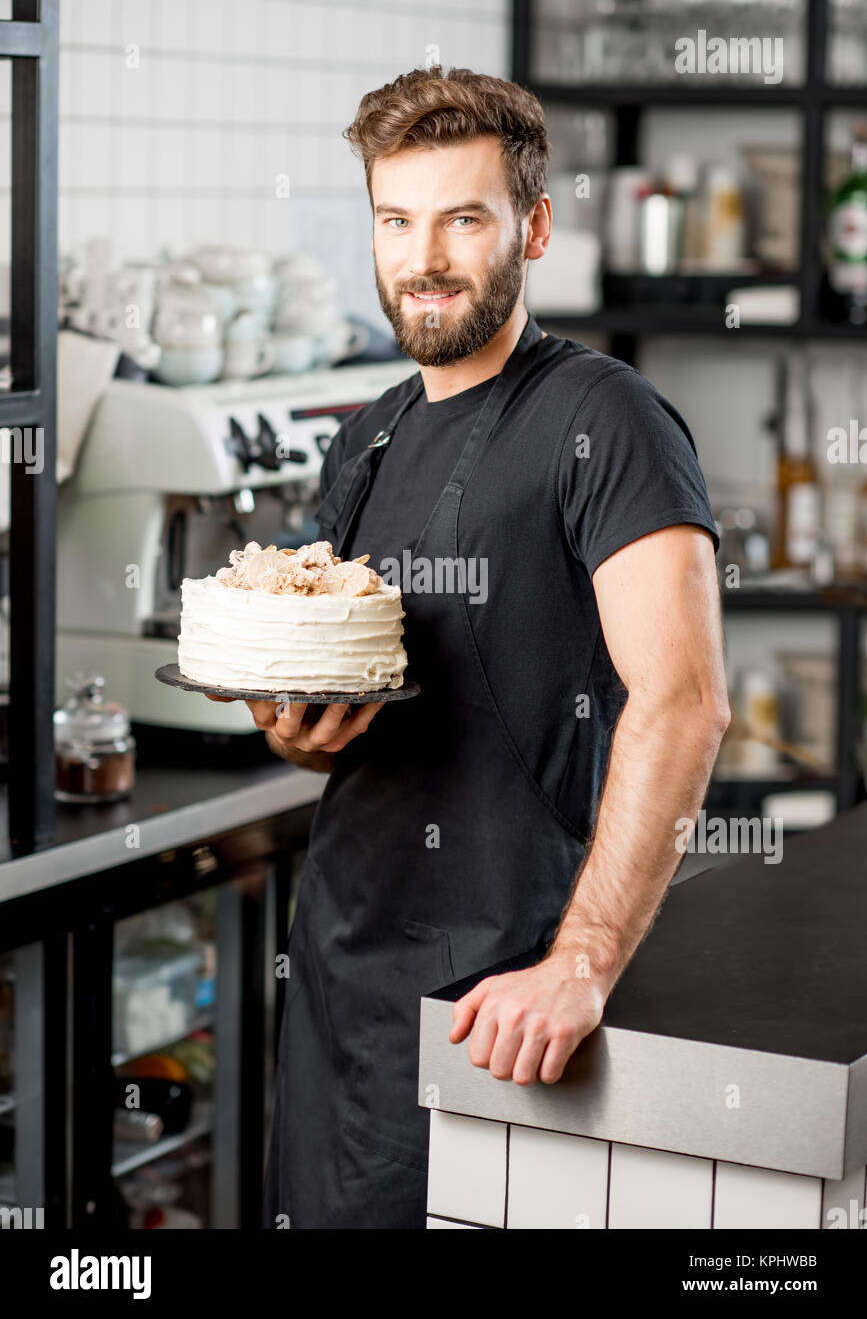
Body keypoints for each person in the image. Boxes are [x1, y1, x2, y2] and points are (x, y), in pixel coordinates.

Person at [215, 66, 729, 1229]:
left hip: (509, 999)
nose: (424, 257)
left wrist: (582, 962)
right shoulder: (369, 438)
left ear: (534, 227)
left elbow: (686, 699)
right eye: (396, 221)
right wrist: (303, 733)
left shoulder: (608, 421)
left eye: (463, 217)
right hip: (344, 983)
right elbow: (359, 708)